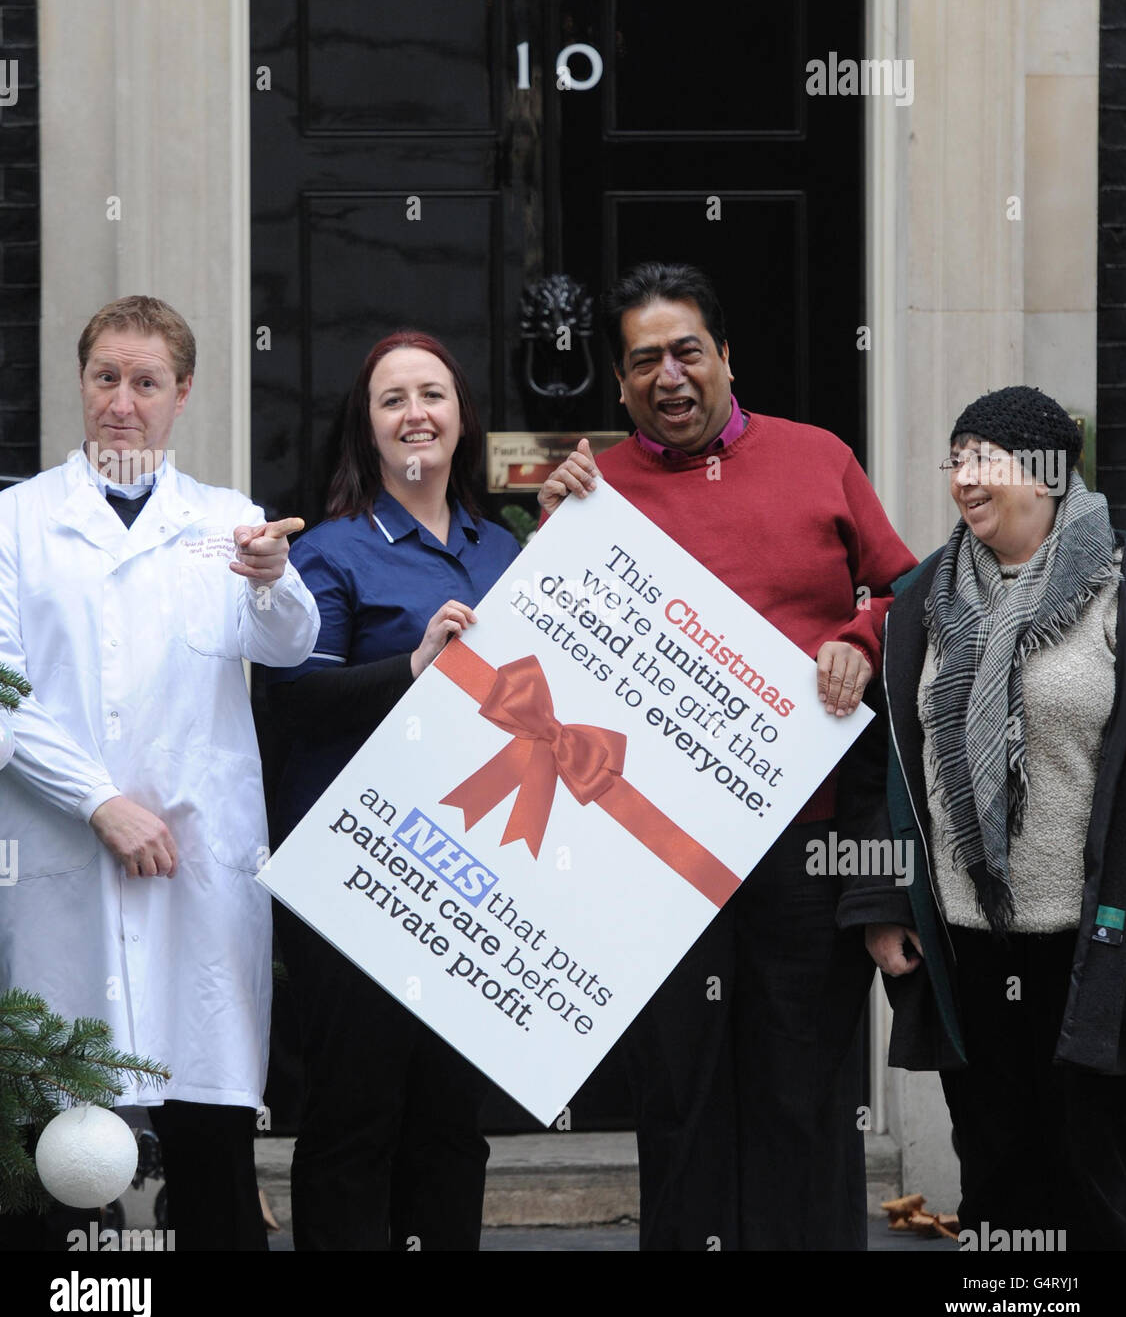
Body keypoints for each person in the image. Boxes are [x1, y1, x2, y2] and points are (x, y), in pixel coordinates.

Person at [539, 261, 916, 1250]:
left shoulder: (818, 458)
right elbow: (538, 655)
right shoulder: (591, 493)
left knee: (800, 1095)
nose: (667, 376)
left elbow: (908, 590)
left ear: (724, 359)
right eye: (641, 362)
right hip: (655, 855)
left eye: (685, 351)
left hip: (805, 844)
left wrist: (861, 639)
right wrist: (550, 537)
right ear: (619, 387)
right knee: (678, 1096)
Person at [0, 295, 319, 1250]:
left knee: (209, 1132)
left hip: (196, 877)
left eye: (147, 382)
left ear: (182, 393)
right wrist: (99, 802)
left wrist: (273, 579)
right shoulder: (16, 522)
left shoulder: (227, 522)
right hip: (64, 863)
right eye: (106, 378)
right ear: (82, 385)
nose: (123, 403)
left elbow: (291, 643)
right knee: (55, 1137)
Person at [838, 386, 1126, 1251]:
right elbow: (886, 763)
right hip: (967, 939)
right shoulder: (922, 599)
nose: (963, 479)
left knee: (1098, 1168)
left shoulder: (1116, 586)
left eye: (985, 459)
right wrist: (885, 904)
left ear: (1045, 473)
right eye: (955, 458)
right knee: (996, 1168)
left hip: (1095, 941)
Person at [267, 330, 520, 1252]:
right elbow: (292, 699)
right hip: (358, 880)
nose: (416, 413)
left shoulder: (507, 548)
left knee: (454, 1121)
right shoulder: (332, 553)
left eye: (433, 395)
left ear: (461, 419)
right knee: (353, 1115)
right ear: (368, 429)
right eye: (392, 399)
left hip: (475, 873)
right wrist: (413, 668)